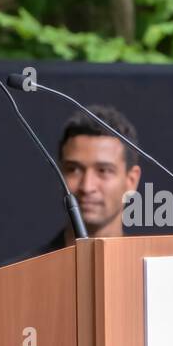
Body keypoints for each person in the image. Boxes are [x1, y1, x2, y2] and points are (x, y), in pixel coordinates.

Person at [39, 104, 142, 252]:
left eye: (103, 170)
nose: (87, 187)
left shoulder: (155, 272)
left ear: (131, 181)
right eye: (73, 169)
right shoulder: (18, 274)